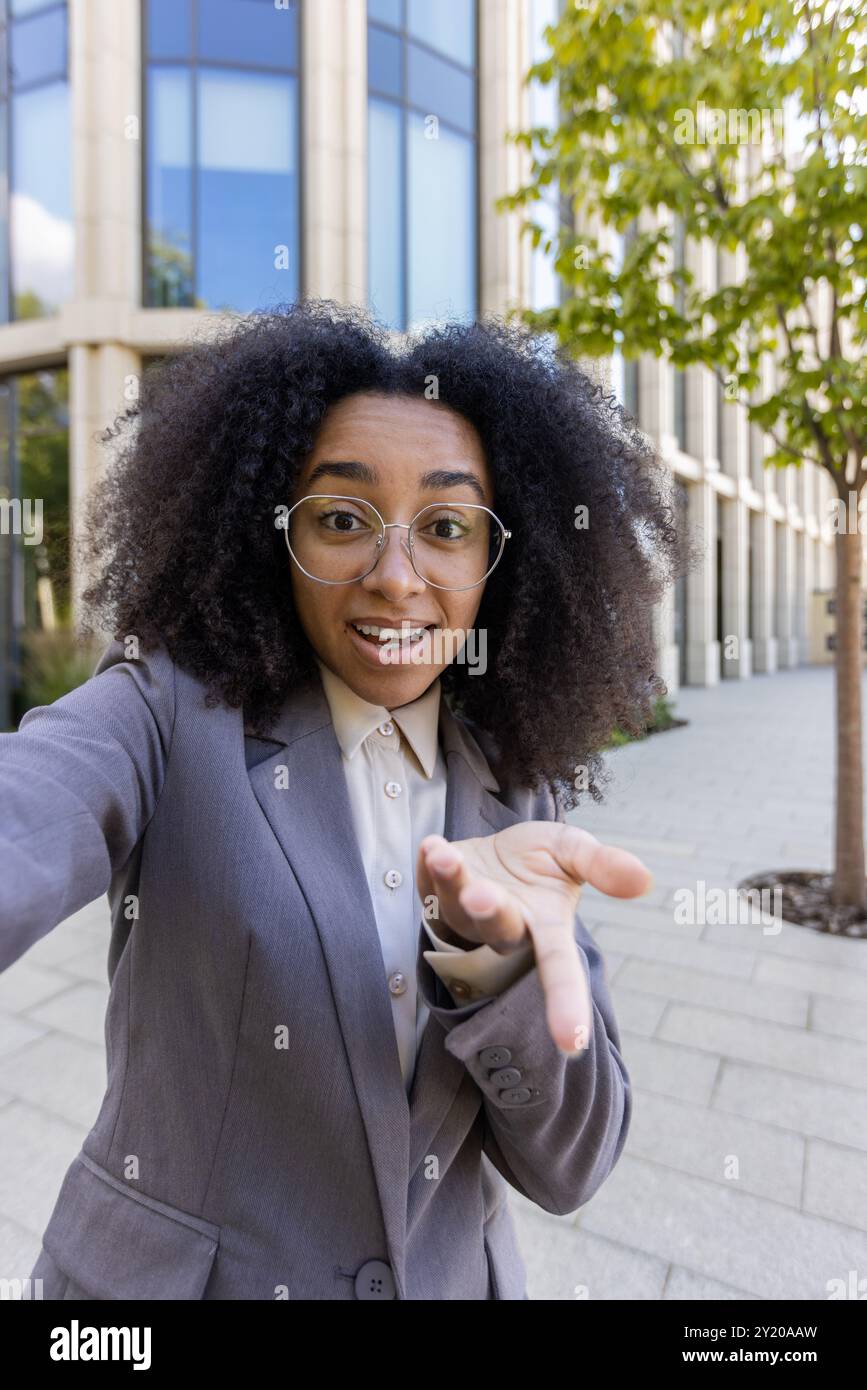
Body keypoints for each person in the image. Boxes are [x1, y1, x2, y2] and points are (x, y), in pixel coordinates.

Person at [1, 300, 682, 1300]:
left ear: (505, 562)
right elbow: (33, 801)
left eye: (446, 527)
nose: (395, 577)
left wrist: (500, 971)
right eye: (341, 518)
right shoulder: (164, 710)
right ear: (271, 535)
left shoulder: (513, 787)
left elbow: (573, 1166)